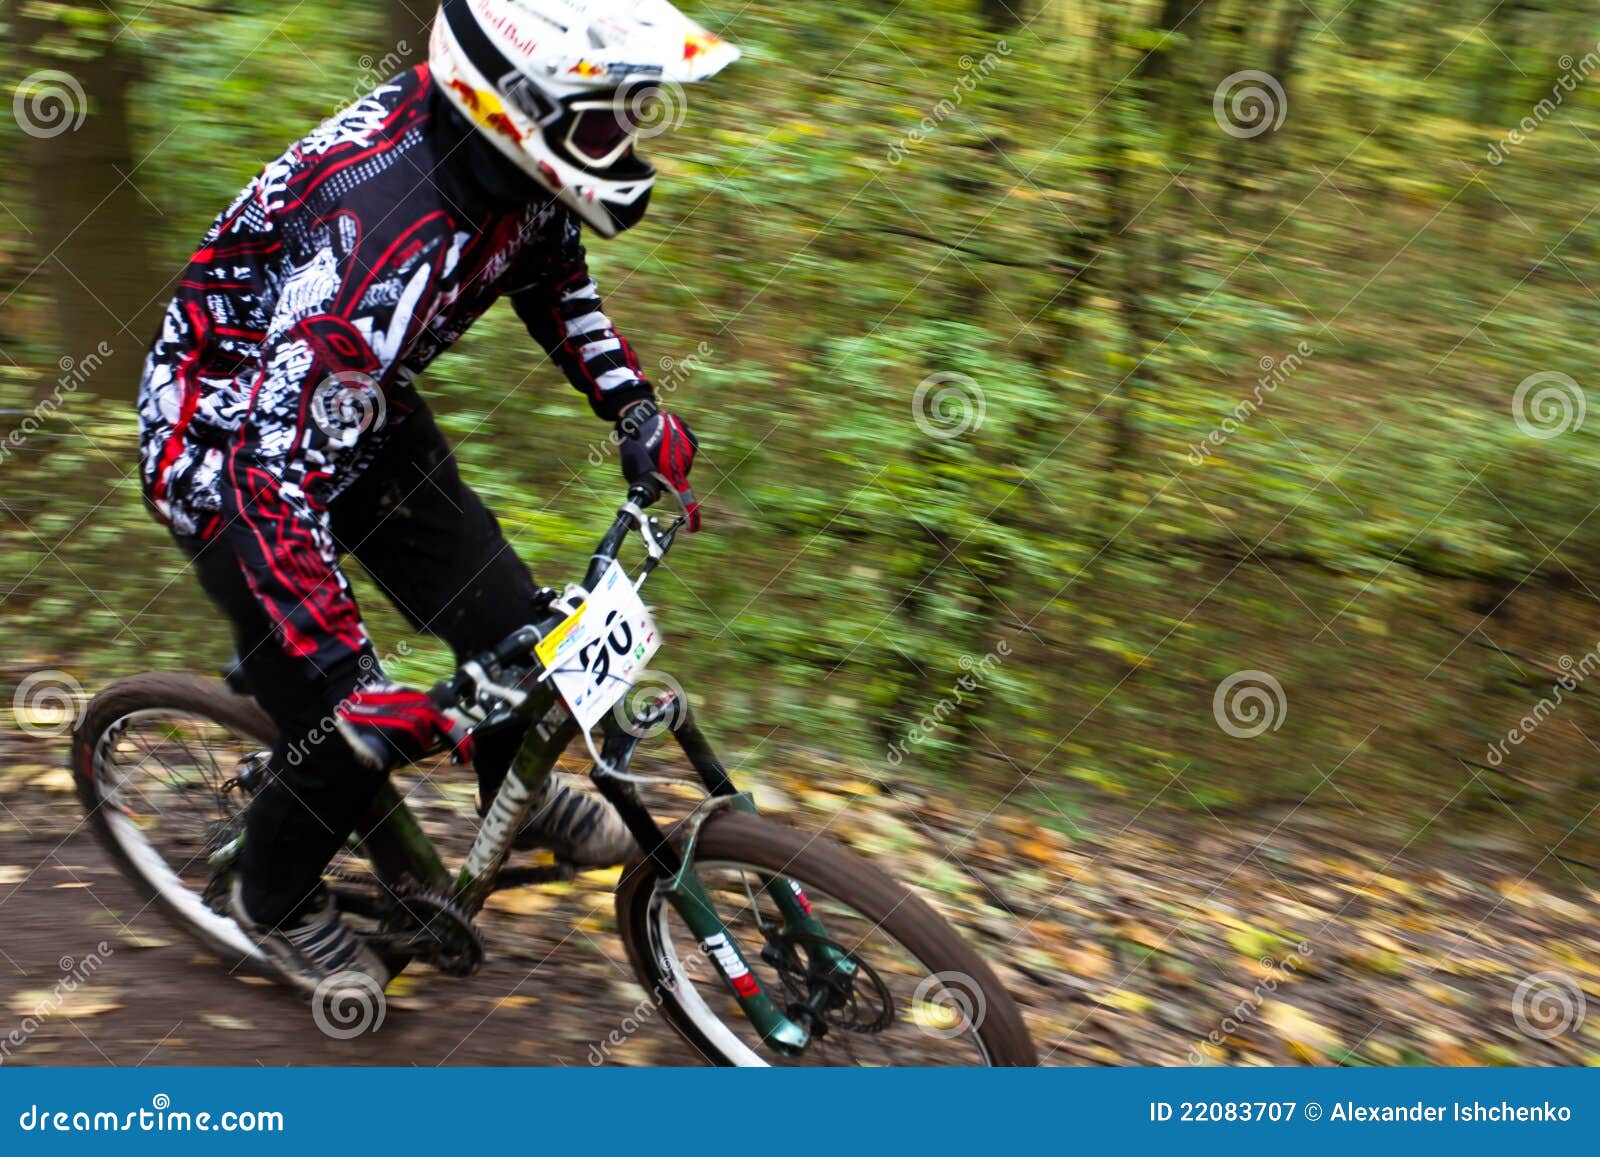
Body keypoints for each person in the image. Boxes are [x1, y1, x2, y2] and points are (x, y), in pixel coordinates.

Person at [133, 0, 737, 995]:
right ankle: (272, 899)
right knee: (341, 719)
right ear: (519, 104)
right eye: (607, 117)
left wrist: (632, 406)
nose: (628, 135)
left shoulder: (509, 169)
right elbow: (264, 472)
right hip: (223, 453)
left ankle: (514, 792)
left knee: (509, 627)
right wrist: (347, 674)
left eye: (631, 112)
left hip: (353, 406)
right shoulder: (381, 240)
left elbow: (553, 278)